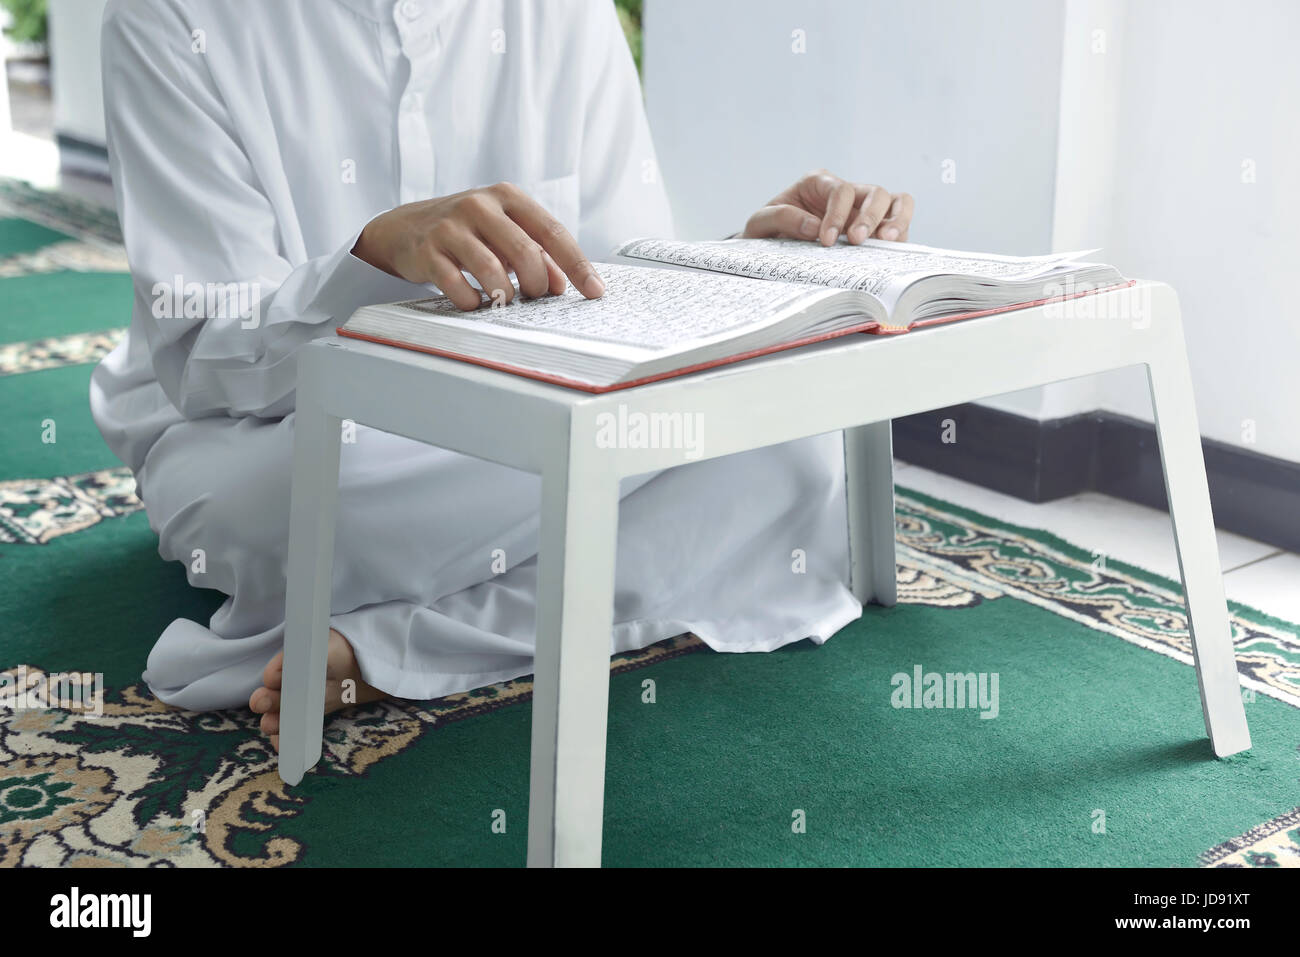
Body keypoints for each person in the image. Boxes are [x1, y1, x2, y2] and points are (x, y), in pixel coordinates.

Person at [91, 0, 915, 747]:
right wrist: (372, 257)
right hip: (271, 427)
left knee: (794, 447)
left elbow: (617, 284)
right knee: (284, 506)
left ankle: (400, 643)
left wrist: (751, 262)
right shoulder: (166, 17)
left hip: (529, 405)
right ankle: (514, 592)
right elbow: (207, 356)